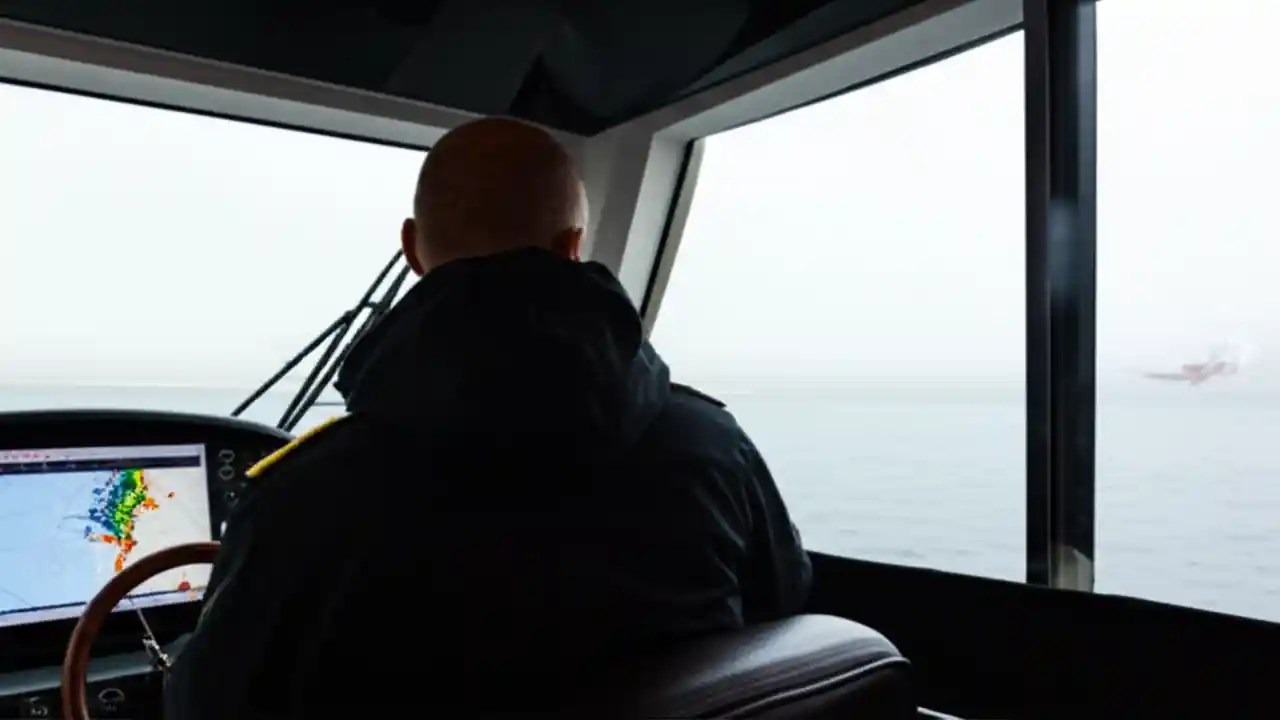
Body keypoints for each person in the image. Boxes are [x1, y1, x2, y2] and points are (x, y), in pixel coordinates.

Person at [164, 117, 810, 717]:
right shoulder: (714, 446)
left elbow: (208, 705)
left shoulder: (300, 494)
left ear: (412, 249)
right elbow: (782, 616)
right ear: (573, 247)